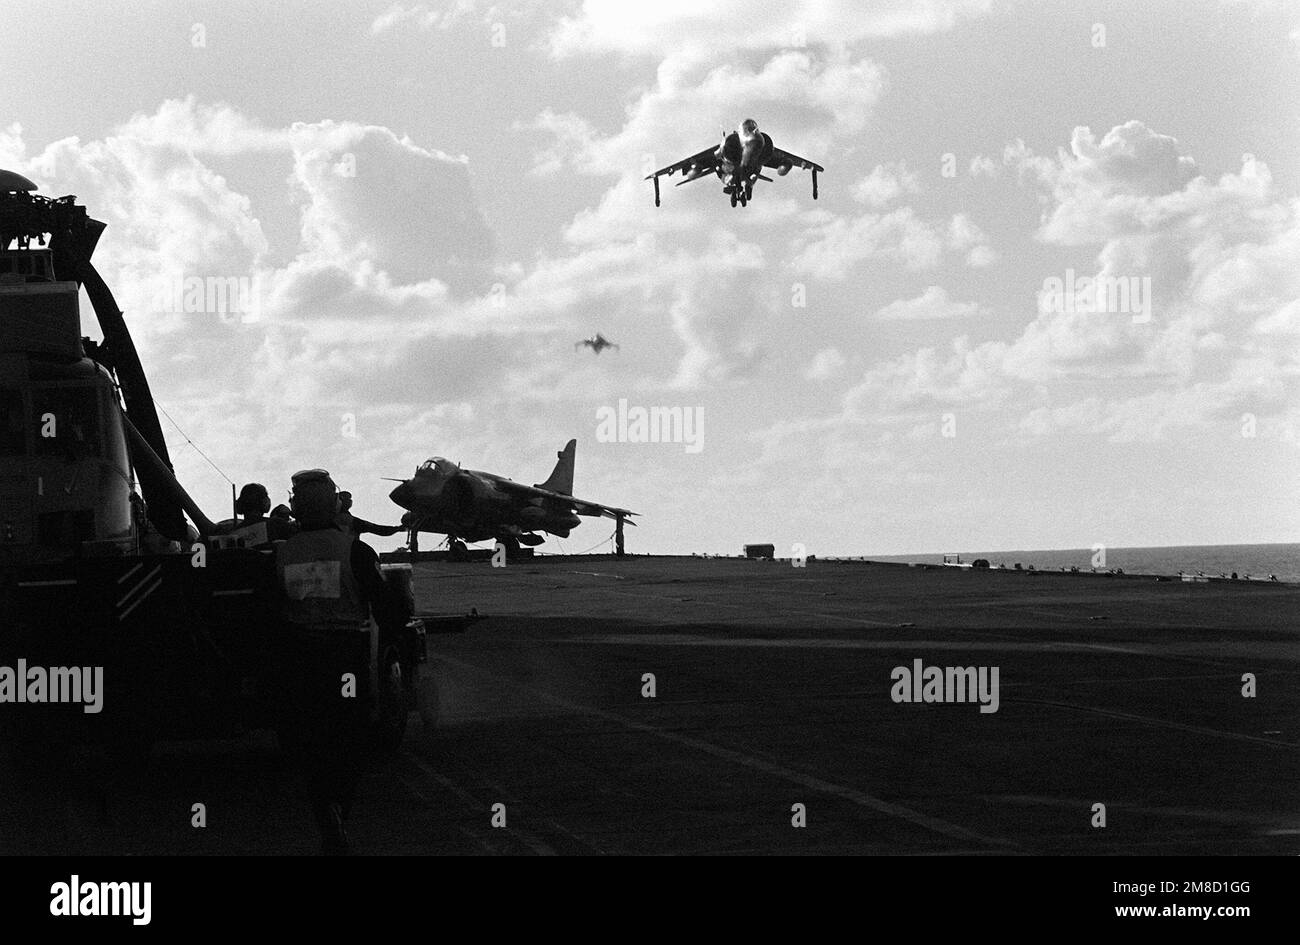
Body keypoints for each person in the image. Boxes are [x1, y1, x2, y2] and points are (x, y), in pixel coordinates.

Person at [274, 468, 408, 854]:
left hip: (301, 661)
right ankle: (339, 809)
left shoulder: (282, 553)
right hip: (345, 659)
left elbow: (271, 611)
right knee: (348, 741)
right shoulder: (356, 551)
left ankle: (326, 814)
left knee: (310, 745)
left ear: (297, 507)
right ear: (335, 504)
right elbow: (388, 612)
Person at [336, 490, 403, 538]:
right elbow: (378, 529)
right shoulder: (347, 519)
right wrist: (398, 529)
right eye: (346, 499)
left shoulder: (331, 517)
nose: (350, 500)